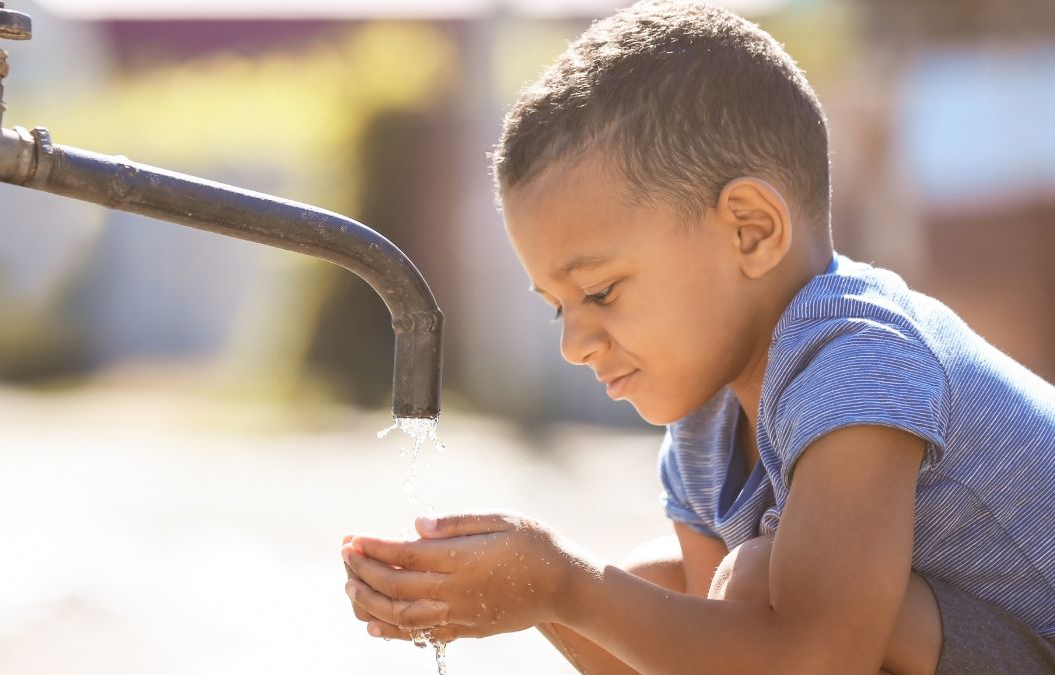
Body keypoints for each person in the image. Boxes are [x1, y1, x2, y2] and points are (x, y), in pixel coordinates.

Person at [340, 2, 1055, 672]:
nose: (576, 342)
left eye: (599, 292)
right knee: (671, 582)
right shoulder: (706, 420)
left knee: (745, 581)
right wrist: (523, 595)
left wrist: (565, 586)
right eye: (560, 308)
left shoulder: (858, 358)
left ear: (751, 230)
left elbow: (813, 657)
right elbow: (690, 647)